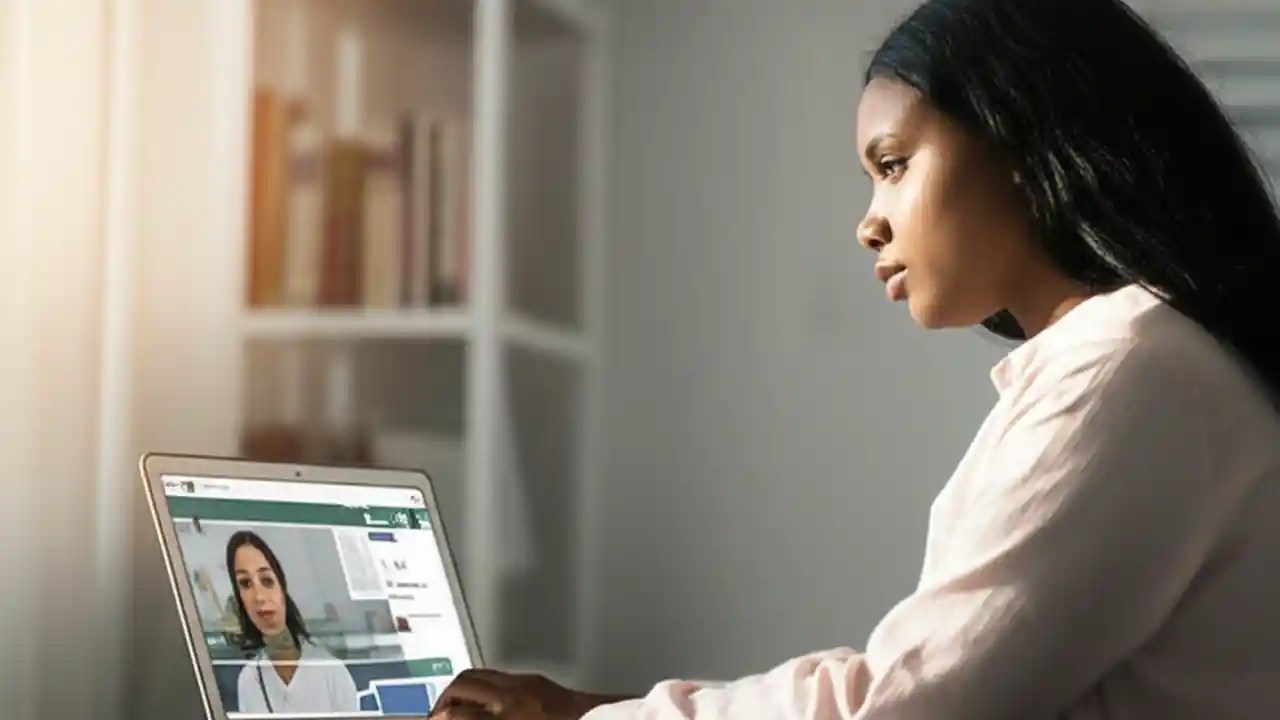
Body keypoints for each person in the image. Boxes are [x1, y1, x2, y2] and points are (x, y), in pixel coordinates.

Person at [431, 0, 1280, 717]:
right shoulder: (1141, 361)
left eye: (895, 165)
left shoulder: (1126, 371)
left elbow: (900, 704)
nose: (869, 222)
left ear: (1022, 146)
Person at [226, 530, 360, 714]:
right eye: (245, 583)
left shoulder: (331, 672)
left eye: (267, 580)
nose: (259, 596)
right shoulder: (249, 680)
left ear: (282, 586)